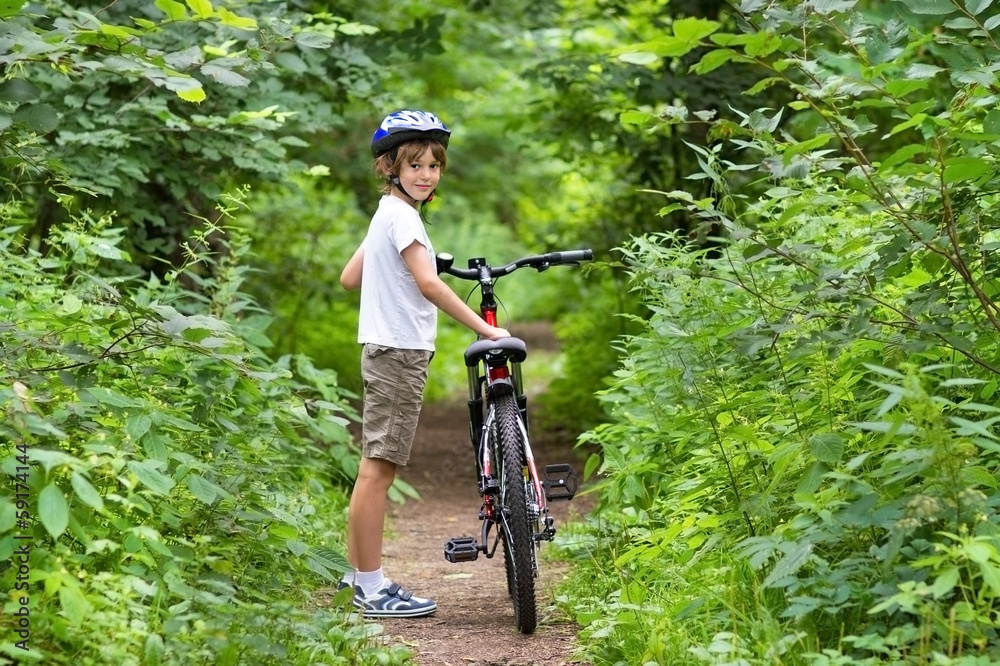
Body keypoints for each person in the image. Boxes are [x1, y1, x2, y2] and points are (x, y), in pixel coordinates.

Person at [338, 110, 510, 617]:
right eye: (414, 165)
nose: (425, 175)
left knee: (375, 468)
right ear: (390, 167)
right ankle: (369, 586)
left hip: (388, 349)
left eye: (433, 166)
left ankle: (359, 579)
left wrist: (385, 243)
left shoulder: (387, 214)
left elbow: (351, 278)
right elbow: (428, 283)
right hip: (398, 352)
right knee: (378, 470)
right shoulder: (402, 217)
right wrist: (487, 329)